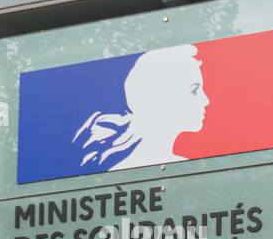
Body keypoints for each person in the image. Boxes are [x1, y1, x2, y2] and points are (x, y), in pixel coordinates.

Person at [73, 45, 211, 171]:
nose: (206, 101)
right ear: (161, 99)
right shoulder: (175, 171)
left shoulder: (122, 170)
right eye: (194, 91)